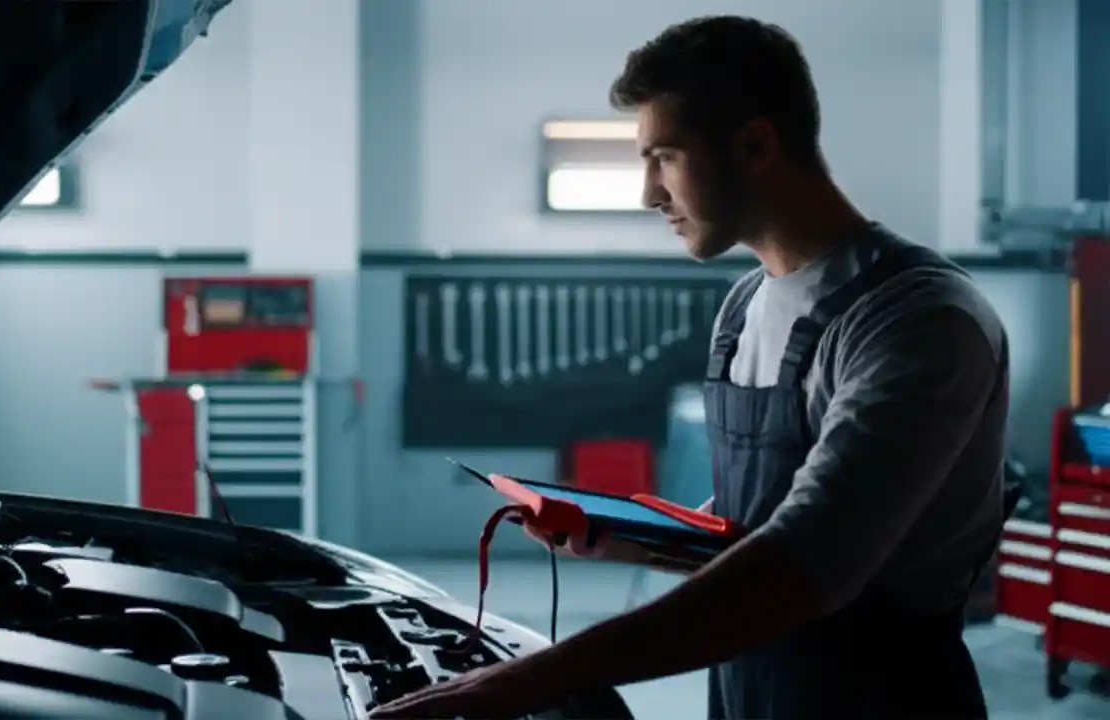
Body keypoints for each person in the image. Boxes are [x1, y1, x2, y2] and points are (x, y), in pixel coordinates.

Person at [371, 14, 1008, 720]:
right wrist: (623, 536)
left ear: (756, 144)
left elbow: (799, 564)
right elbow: (750, 530)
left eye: (665, 156)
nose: (649, 193)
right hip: (747, 694)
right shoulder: (743, 307)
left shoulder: (916, 321)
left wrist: (533, 677)